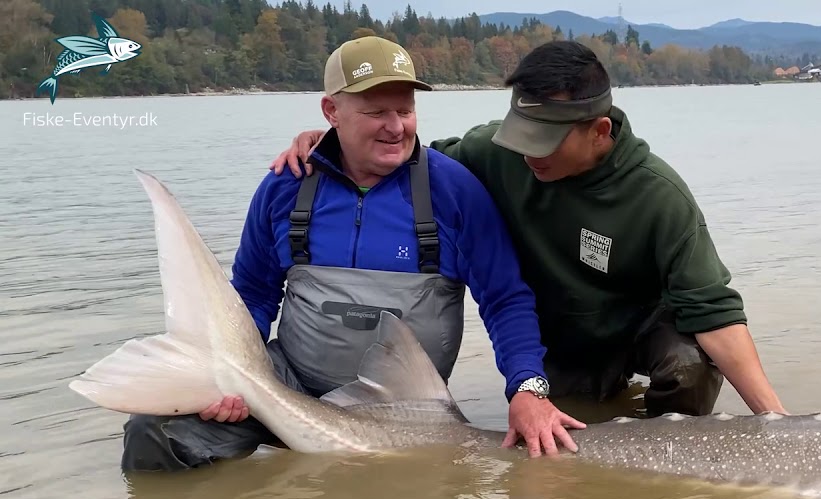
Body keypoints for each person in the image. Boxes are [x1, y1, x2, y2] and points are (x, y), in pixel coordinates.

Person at [121, 36, 585, 472]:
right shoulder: (287, 186)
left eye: (405, 110)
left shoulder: (454, 191)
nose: (395, 126)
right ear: (332, 111)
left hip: (409, 408)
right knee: (154, 434)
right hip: (287, 386)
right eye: (376, 111)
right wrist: (228, 381)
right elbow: (253, 297)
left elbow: (505, 301)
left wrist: (527, 387)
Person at [269, 40, 788, 420]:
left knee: (689, 366)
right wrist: (330, 140)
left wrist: (775, 422)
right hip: (558, 339)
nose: (526, 154)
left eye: (543, 141)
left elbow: (717, 316)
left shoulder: (659, 196)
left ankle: (669, 465)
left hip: (639, 330)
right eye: (520, 134)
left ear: (598, 131)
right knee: (560, 435)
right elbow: (407, 161)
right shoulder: (495, 153)